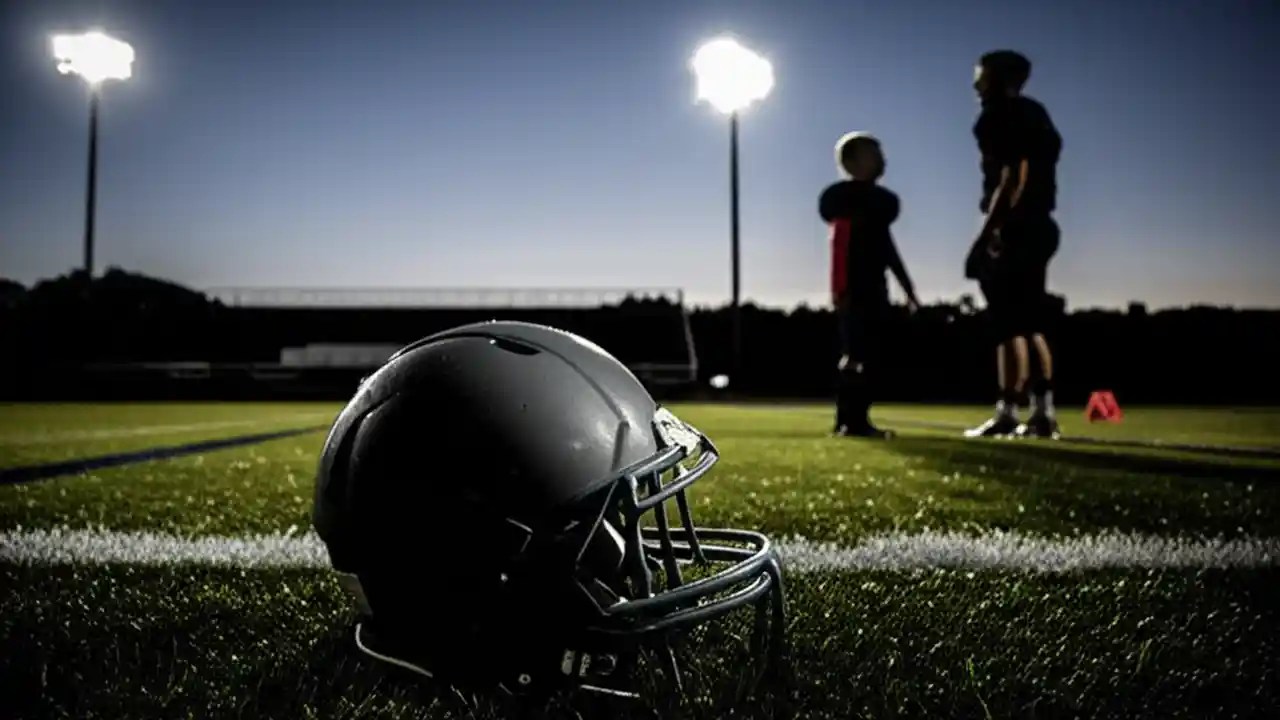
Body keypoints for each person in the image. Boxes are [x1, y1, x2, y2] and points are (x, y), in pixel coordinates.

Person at [963, 50, 1063, 439]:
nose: (976, 84)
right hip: (1039, 224)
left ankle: (1011, 411)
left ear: (1001, 80)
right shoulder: (1036, 113)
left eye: (981, 76)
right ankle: (1040, 412)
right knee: (1026, 320)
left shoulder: (998, 116)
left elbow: (1013, 176)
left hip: (1016, 225)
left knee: (1007, 323)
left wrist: (988, 233)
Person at [820, 132, 920, 438]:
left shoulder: (882, 202)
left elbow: (887, 247)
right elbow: (839, 242)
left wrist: (908, 288)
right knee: (855, 351)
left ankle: (854, 417)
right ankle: (850, 419)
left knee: (870, 352)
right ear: (851, 162)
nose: (881, 160)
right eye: (873, 154)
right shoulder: (842, 198)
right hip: (854, 285)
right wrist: (839, 287)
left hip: (877, 285)